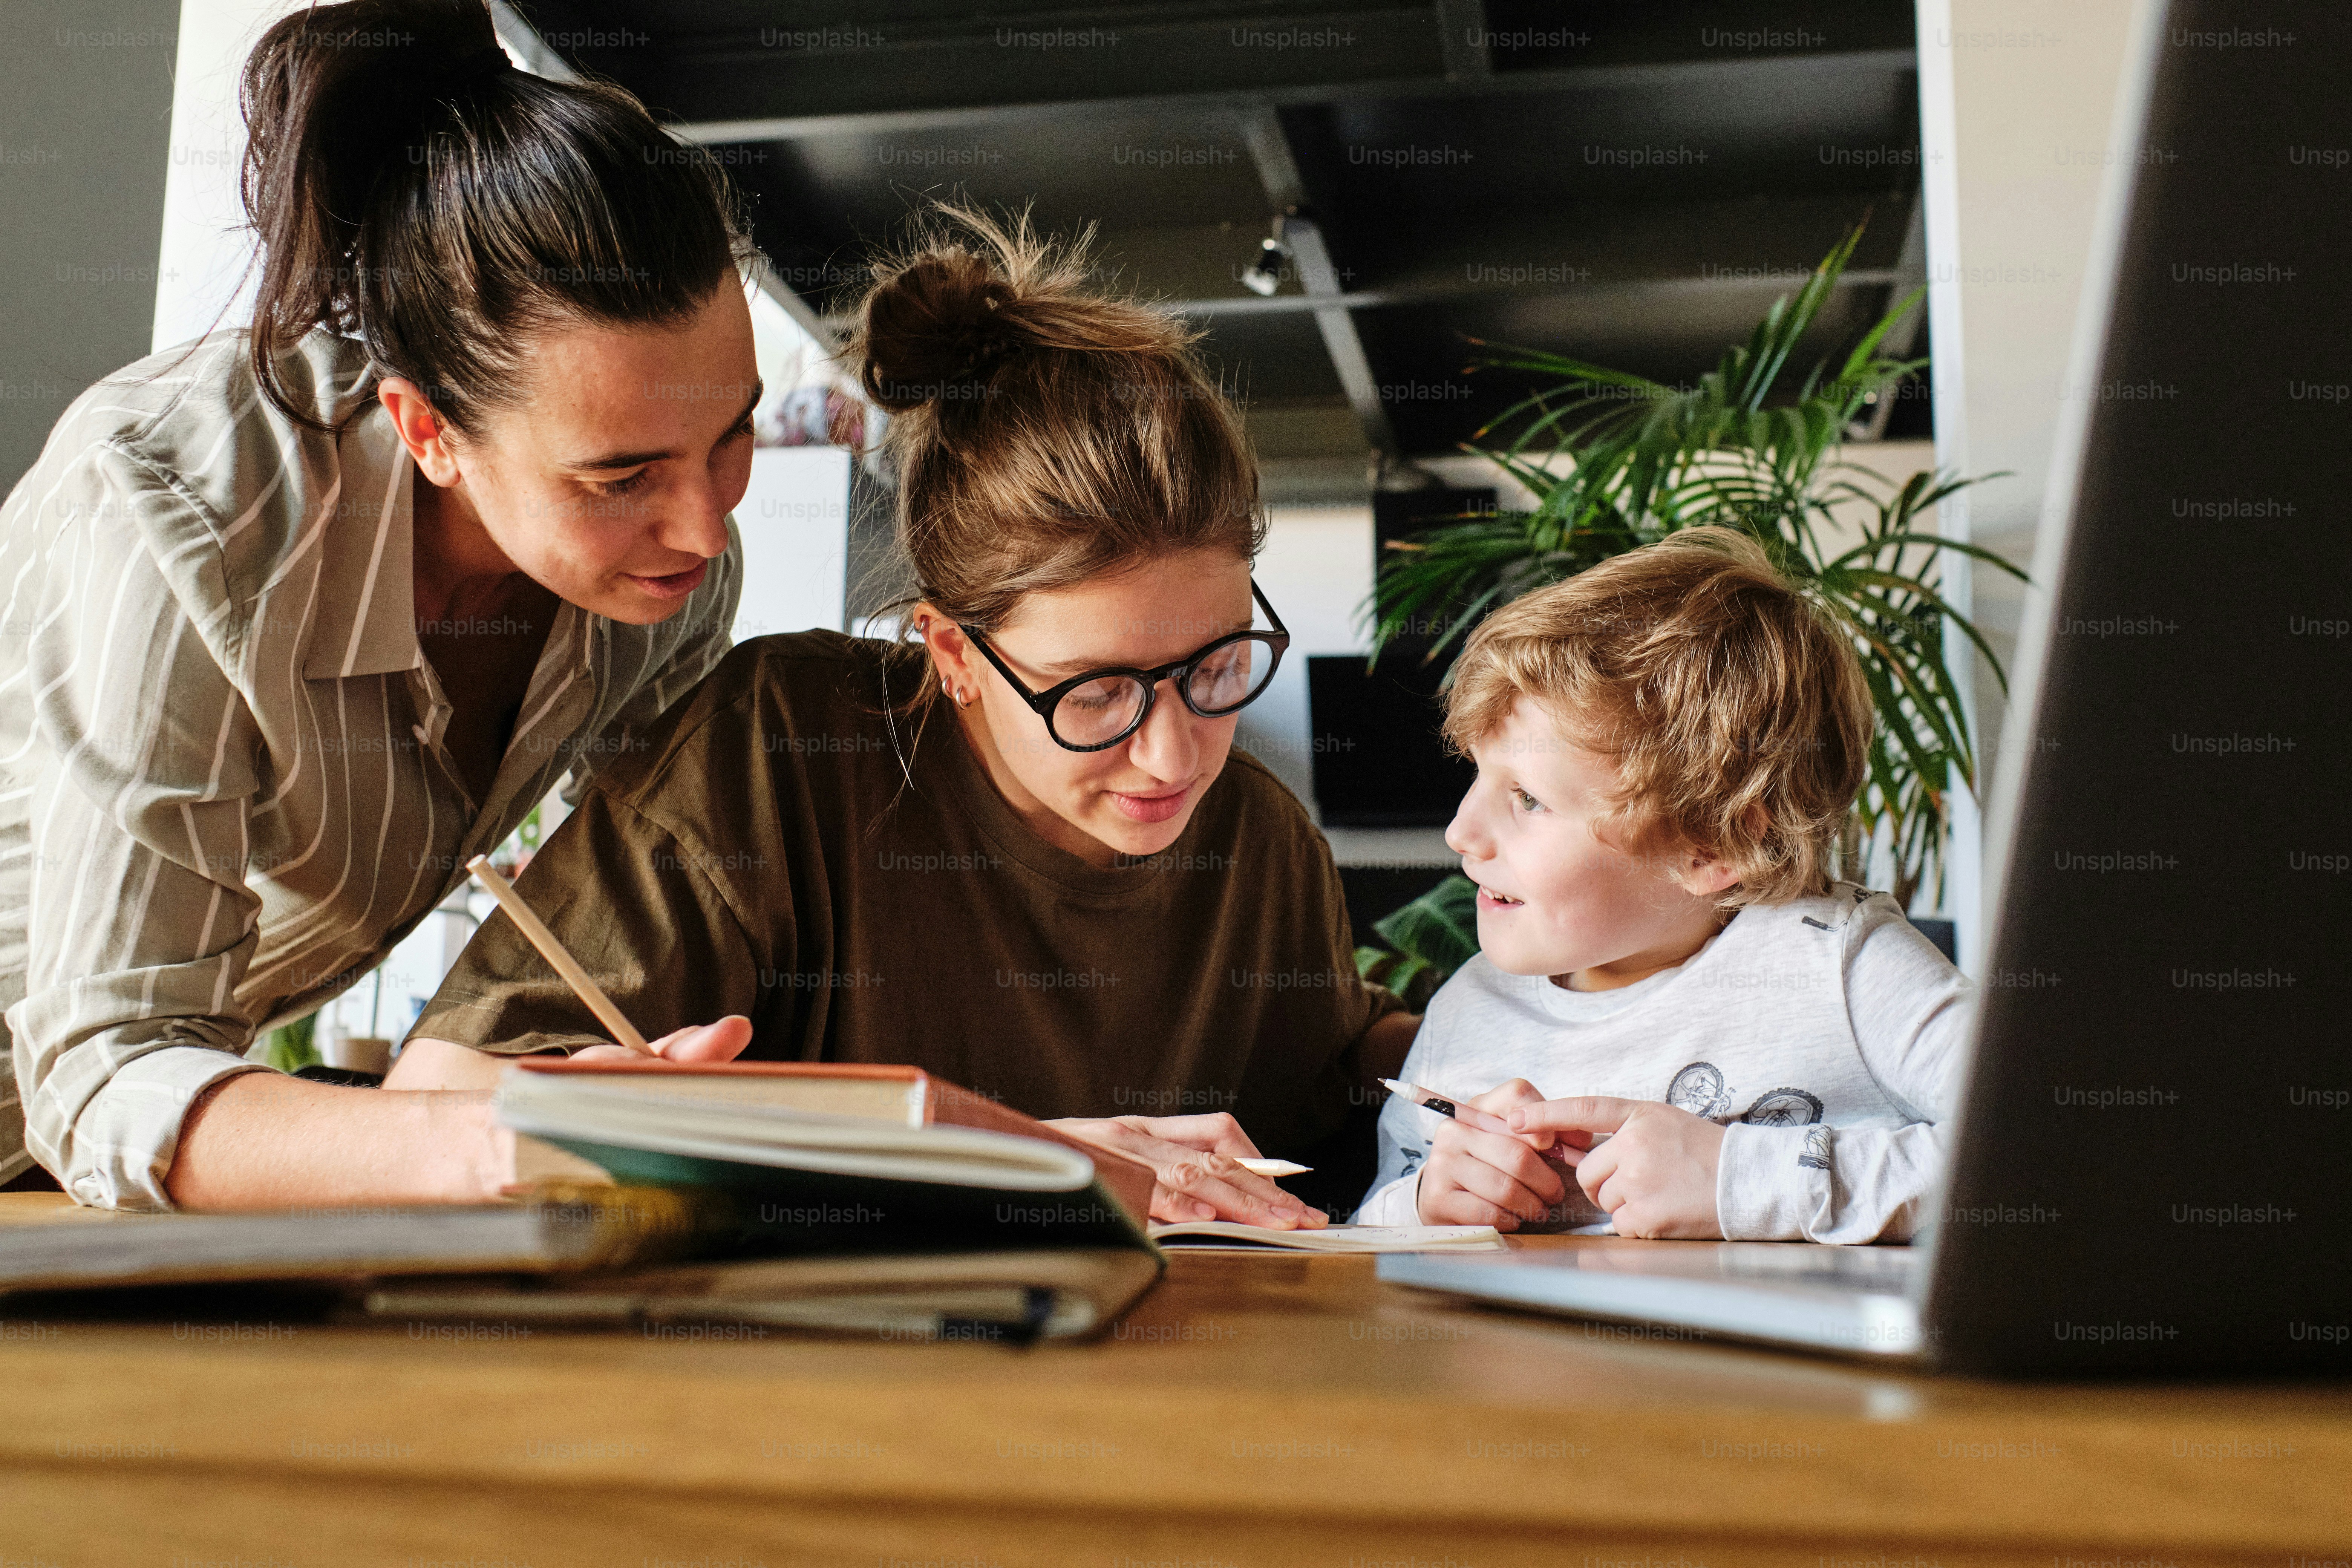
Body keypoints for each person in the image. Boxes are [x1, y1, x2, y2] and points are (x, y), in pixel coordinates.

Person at [389, 209, 1419, 1228]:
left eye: (1219, 664)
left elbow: (1343, 1078)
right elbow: (433, 1098)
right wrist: (998, 1158)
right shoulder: (783, 752)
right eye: (1096, 693)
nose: (1173, 753)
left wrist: (1497, 1084)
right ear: (954, 652)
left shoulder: (1260, 844)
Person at [0, 0, 760, 1208]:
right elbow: (104, 1075)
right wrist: (491, 1146)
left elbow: (569, 942)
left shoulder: (664, 588)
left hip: (72, 1190)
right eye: (621, 478)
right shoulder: (174, 503)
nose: (705, 530)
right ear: (429, 431)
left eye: (733, 433)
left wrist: (560, 1084)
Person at [1354, 528, 1969, 1242]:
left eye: (1527, 798)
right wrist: (1429, 1200)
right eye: (1478, 775)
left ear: (1713, 847)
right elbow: (1372, 1223)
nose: (1462, 831)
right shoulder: (1468, 1009)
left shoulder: (1841, 966)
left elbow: (2055, 1146)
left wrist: (1739, 1181)